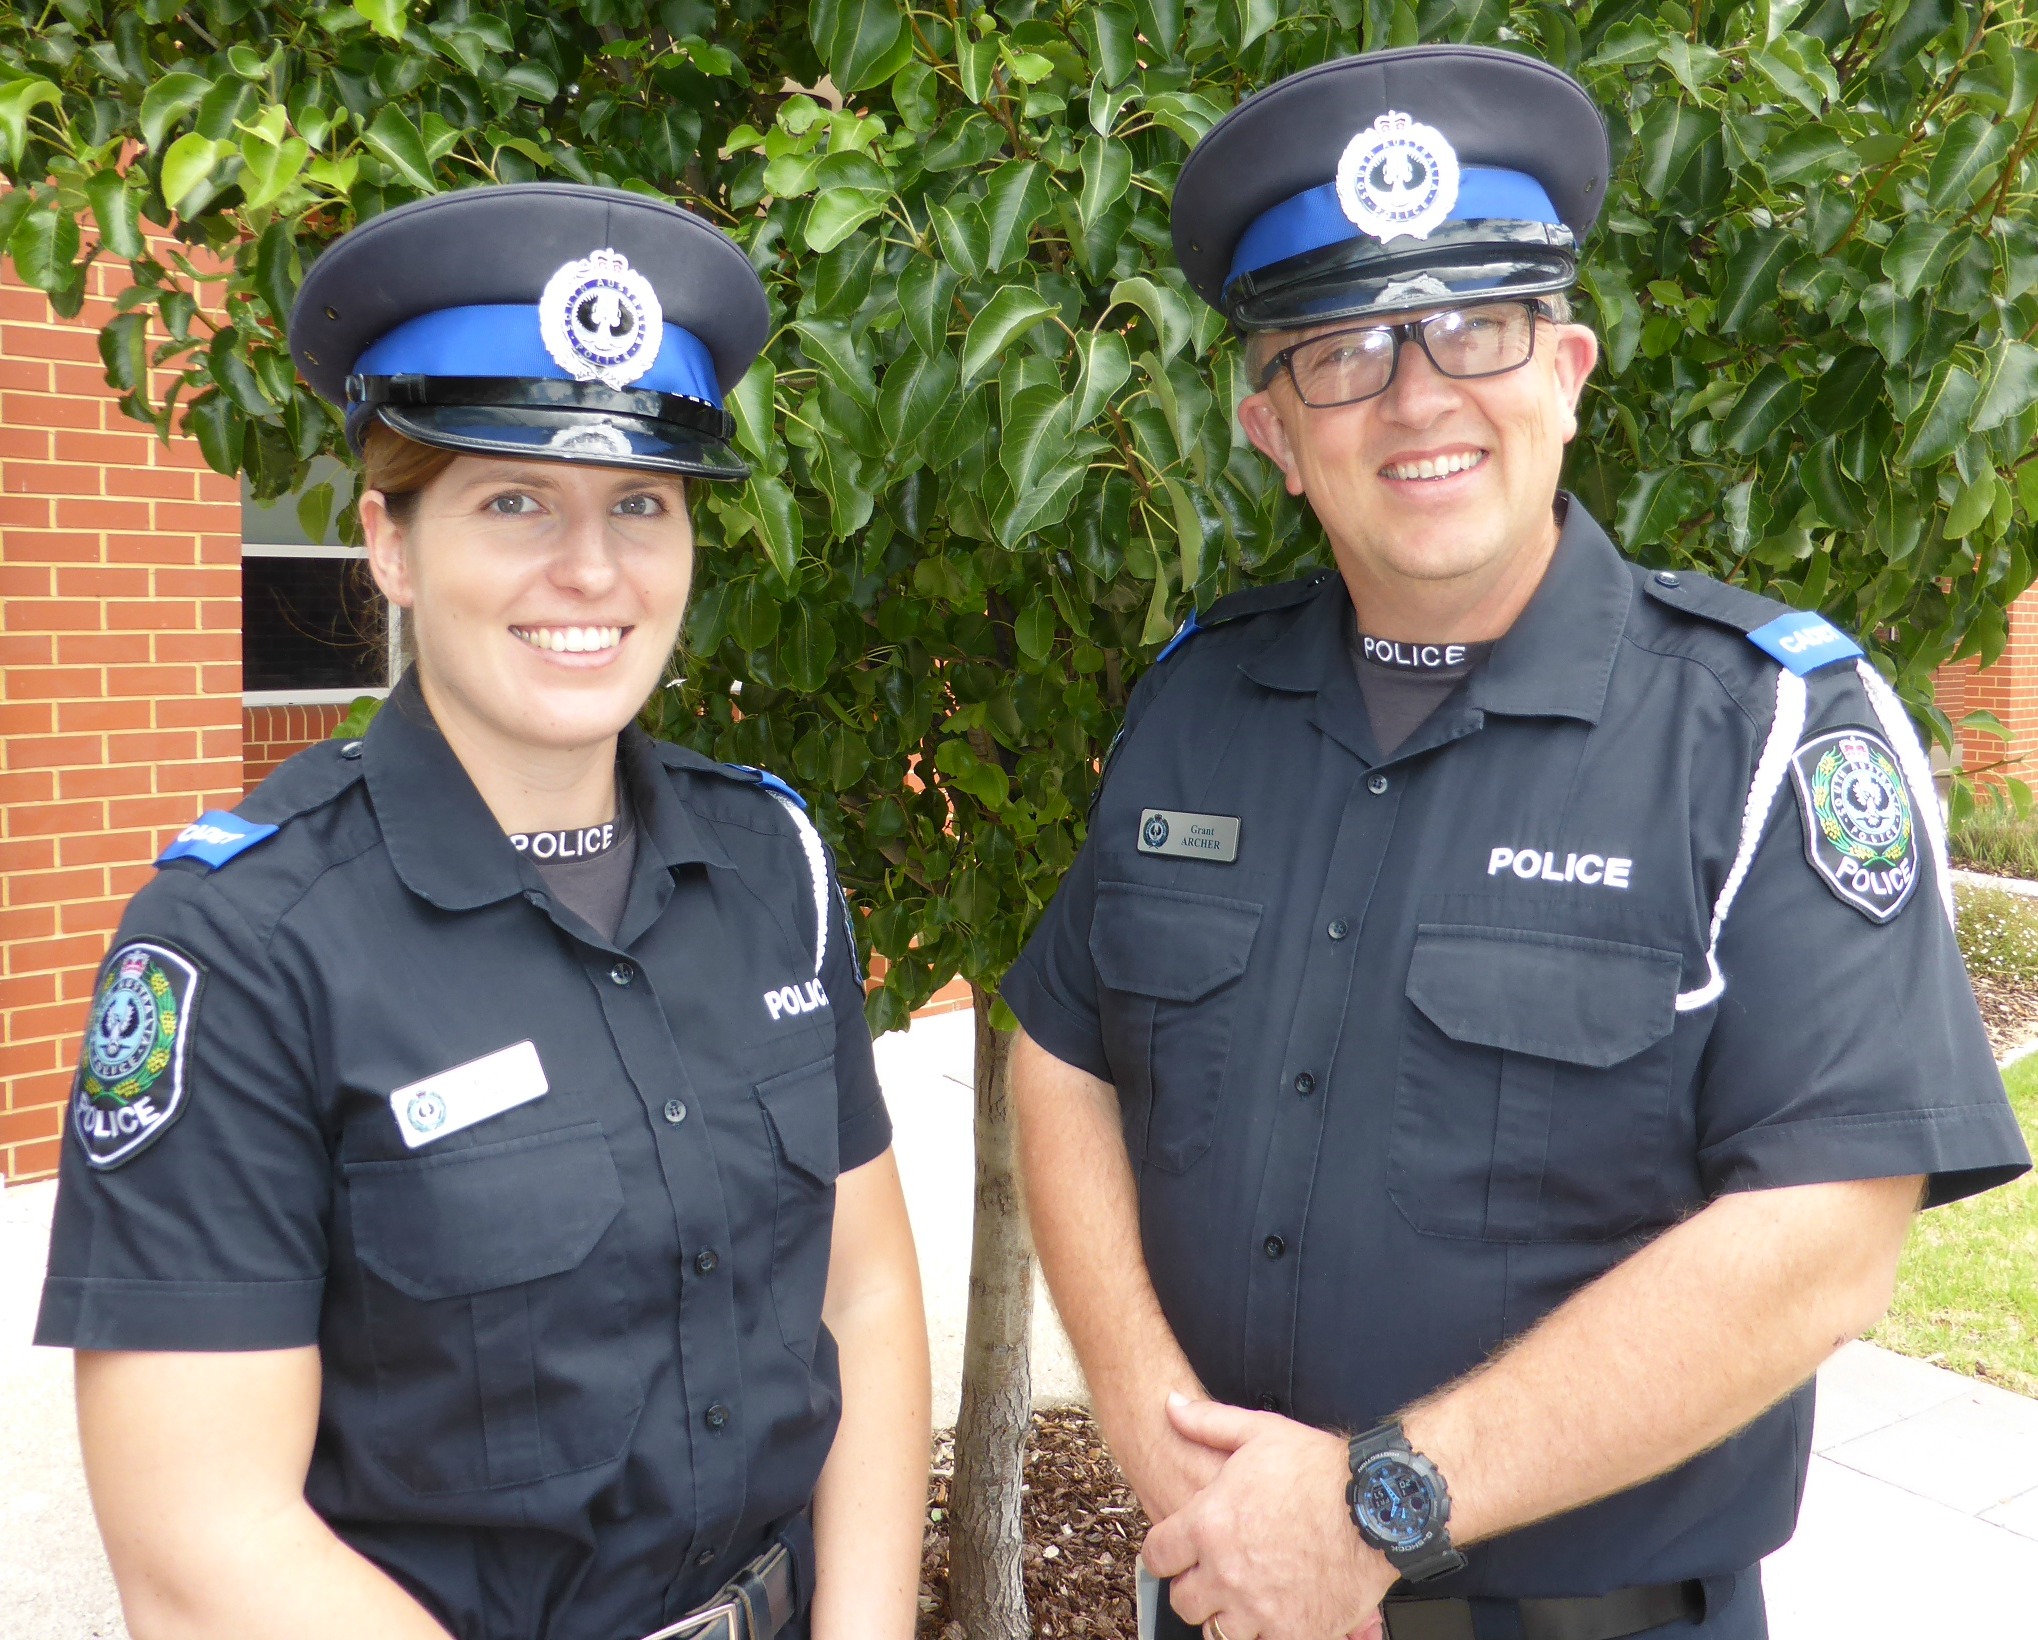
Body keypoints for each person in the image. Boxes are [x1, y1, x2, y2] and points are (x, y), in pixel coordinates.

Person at [1004, 44, 2031, 1640]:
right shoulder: (1194, 703)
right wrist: (1156, 1438)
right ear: (1273, 426)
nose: (1418, 397)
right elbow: (1061, 1048)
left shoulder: (1761, 728)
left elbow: (1825, 1236)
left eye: (1473, 331)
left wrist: (1371, 1506)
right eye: (1342, 350)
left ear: (1565, 368)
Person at [35, 183, 931, 1640]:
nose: (589, 571)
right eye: (513, 500)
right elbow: (203, 1552)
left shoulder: (772, 861)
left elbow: (866, 1294)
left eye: (639, 503)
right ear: (389, 544)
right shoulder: (239, 946)